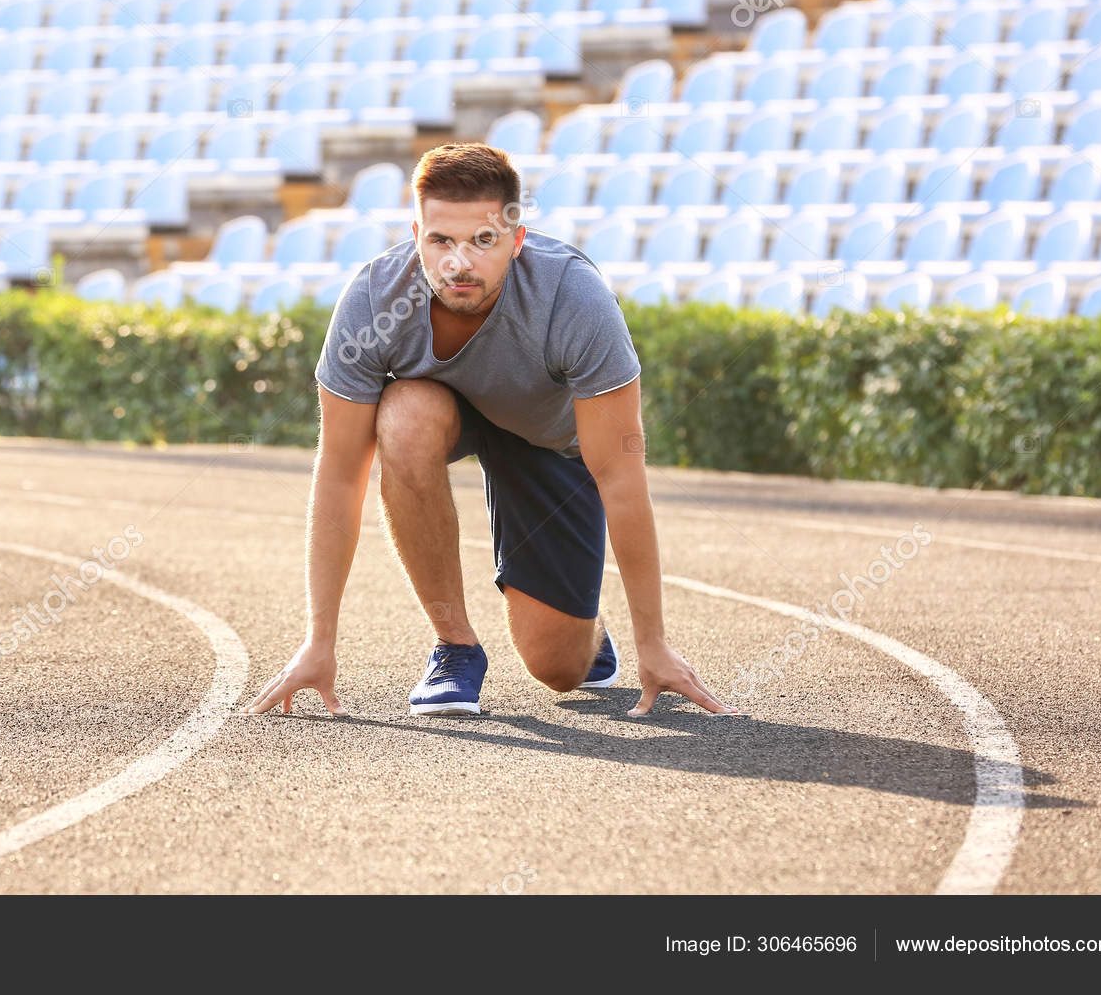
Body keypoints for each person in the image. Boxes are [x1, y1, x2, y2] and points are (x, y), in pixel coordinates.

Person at [244, 143, 742, 719]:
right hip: (440, 414)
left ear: (517, 238)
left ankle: (587, 629)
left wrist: (652, 645)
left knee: (559, 670)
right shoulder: (373, 300)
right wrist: (319, 641)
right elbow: (339, 473)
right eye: (441, 241)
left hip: (548, 444)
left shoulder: (572, 298)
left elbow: (622, 478)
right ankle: (454, 648)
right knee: (403, 415)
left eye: (483, 240)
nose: (459, 263)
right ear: (417, 236)